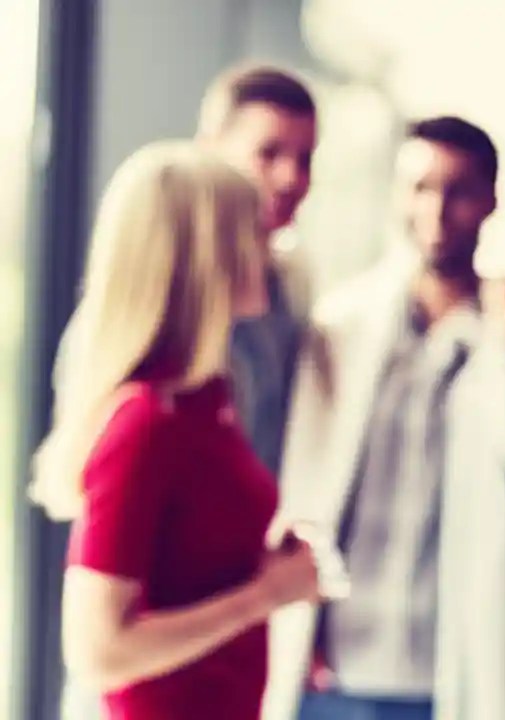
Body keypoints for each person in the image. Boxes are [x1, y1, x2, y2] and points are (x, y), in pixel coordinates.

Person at [263, 116, 505, 720]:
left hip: (448, 673)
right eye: (419, 188)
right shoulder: (342, 324)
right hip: (331, 669)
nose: (435, 211)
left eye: (458, 191)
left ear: (490, 201)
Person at [30, 141, 323, 720]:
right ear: (209, 254)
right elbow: (99, 652)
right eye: (253, 232)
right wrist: (266, 594)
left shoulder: (206, 401)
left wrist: (262, 563)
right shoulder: (144, 422)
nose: (269, 248)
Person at [54, 64, 318, 478]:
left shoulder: (293, 288)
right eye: (268, 153)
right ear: (209, 149)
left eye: (305, 159)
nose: (291, 178)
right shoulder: (147, 302)